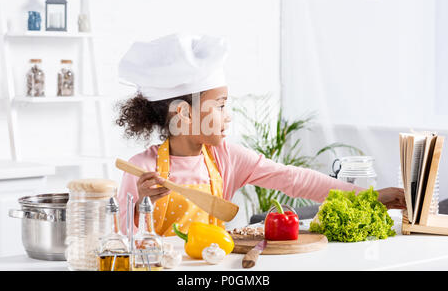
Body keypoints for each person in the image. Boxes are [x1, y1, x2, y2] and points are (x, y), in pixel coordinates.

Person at [116, 33, 406, 236]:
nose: (228, 115)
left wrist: (371, 197)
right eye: (219, 106)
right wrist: (143, 204)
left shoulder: (224, 157)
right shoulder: (140, 169)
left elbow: (294, 179)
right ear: (184, 114)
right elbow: (121, 242)